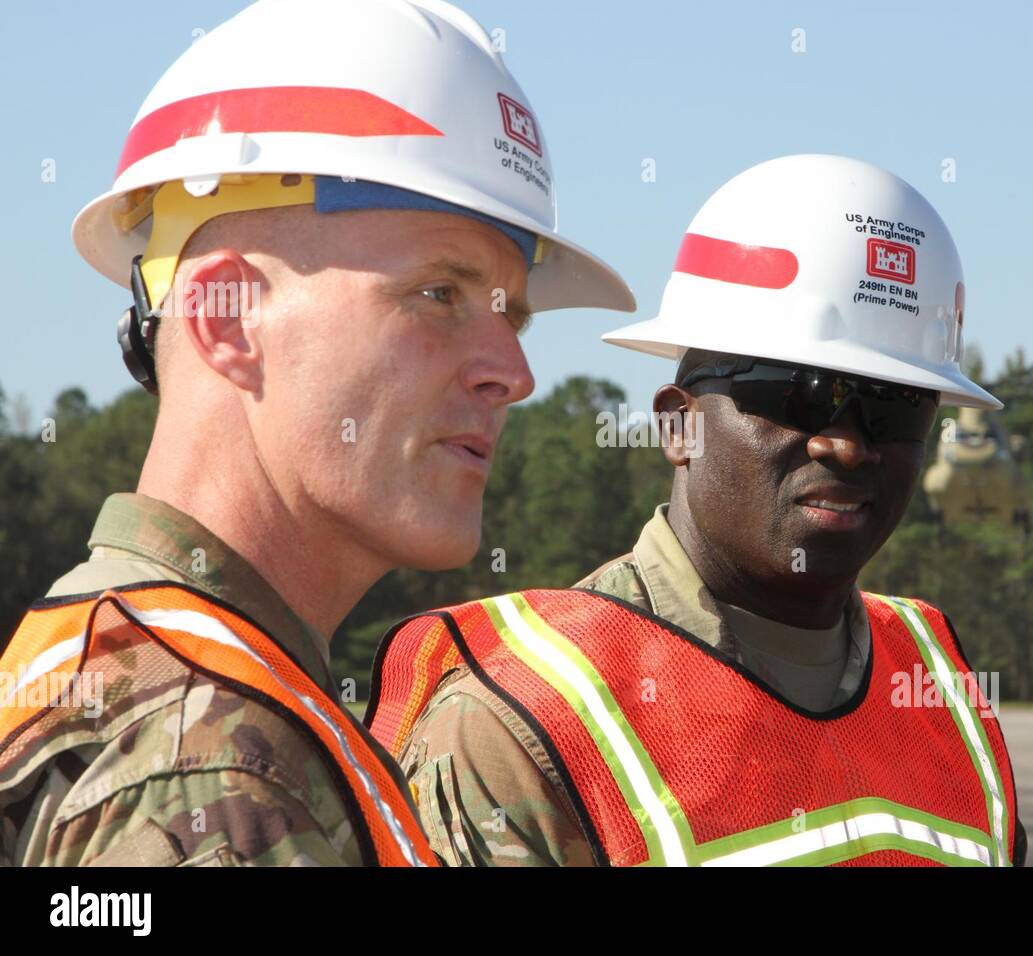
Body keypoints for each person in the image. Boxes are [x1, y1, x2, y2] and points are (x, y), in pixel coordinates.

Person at [0, 0, 633, 867]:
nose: (512, 375)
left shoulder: (115, 662)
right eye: (439, 294)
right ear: (228, 320)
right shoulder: (217, 774)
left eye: (509, 318)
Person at [369, 155, 1027, 866]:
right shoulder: (522, 721)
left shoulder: (941, 692)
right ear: (679, 427)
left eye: (895, 406)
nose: (846, 443)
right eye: (797, 394)